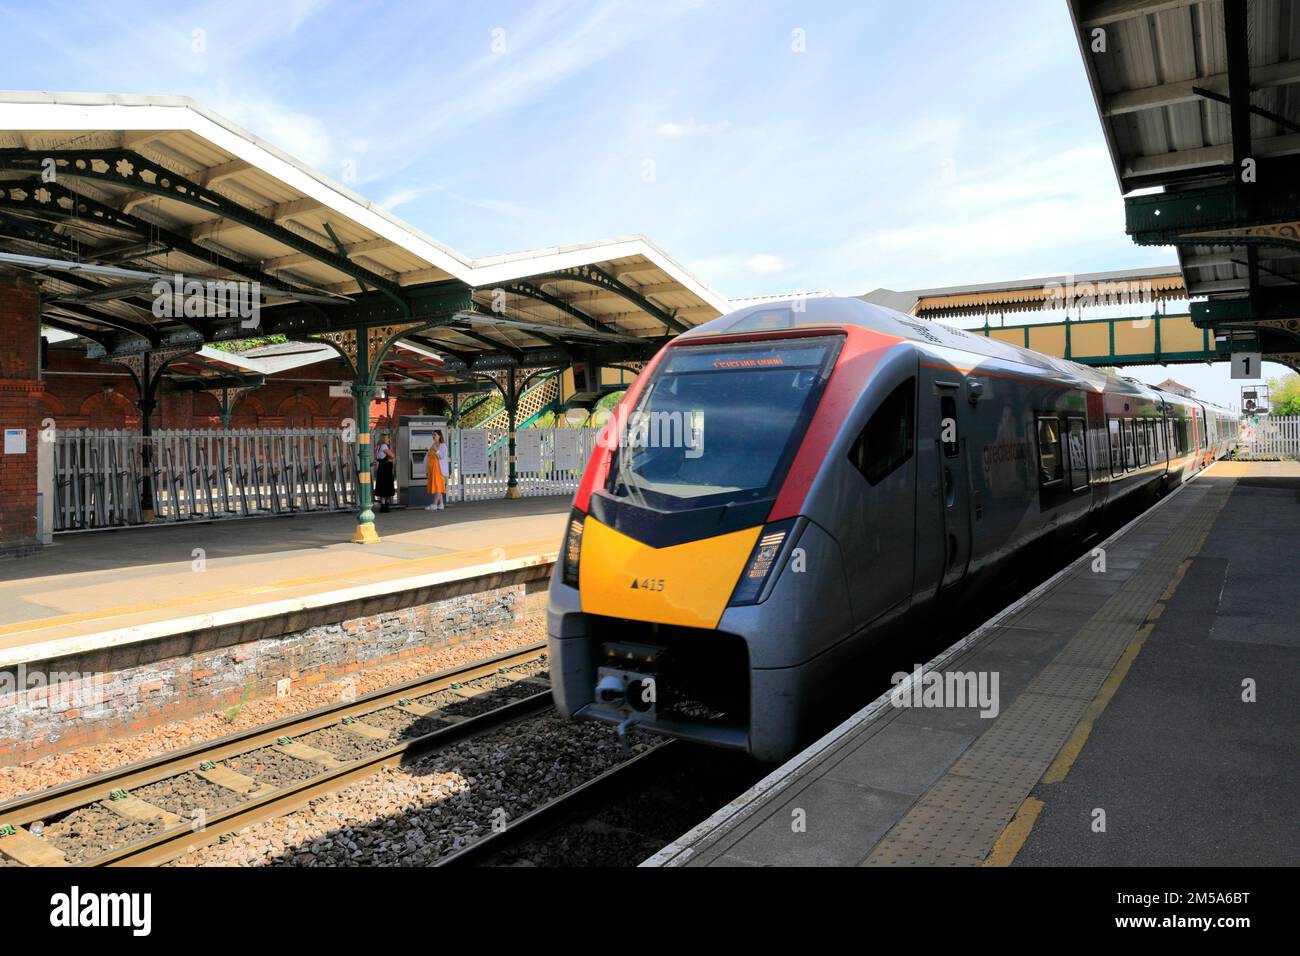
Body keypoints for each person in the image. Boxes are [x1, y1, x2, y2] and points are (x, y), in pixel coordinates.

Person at [425, 430, 449, 511]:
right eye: (433, 435)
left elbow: (442, 457)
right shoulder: (433, 444)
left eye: (435, 435)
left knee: (438, 486)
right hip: (432, 468)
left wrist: (436, 450)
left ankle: (434, 504)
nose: (433, 436)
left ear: (439, 436)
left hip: (438, 469)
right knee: (437, 486)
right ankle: (441, 504)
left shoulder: (443, 446)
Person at [373, 433, 396, 512]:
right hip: (386, 469)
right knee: (387, 485)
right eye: (387, 438)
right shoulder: (384, 446)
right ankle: (386, 505)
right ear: (383, 439)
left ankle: (383, 505)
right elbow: (392, 456)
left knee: (382, 486)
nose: (388, 440)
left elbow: (376, 457)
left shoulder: (378, 447)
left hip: (381, 469)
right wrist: (391, 457)